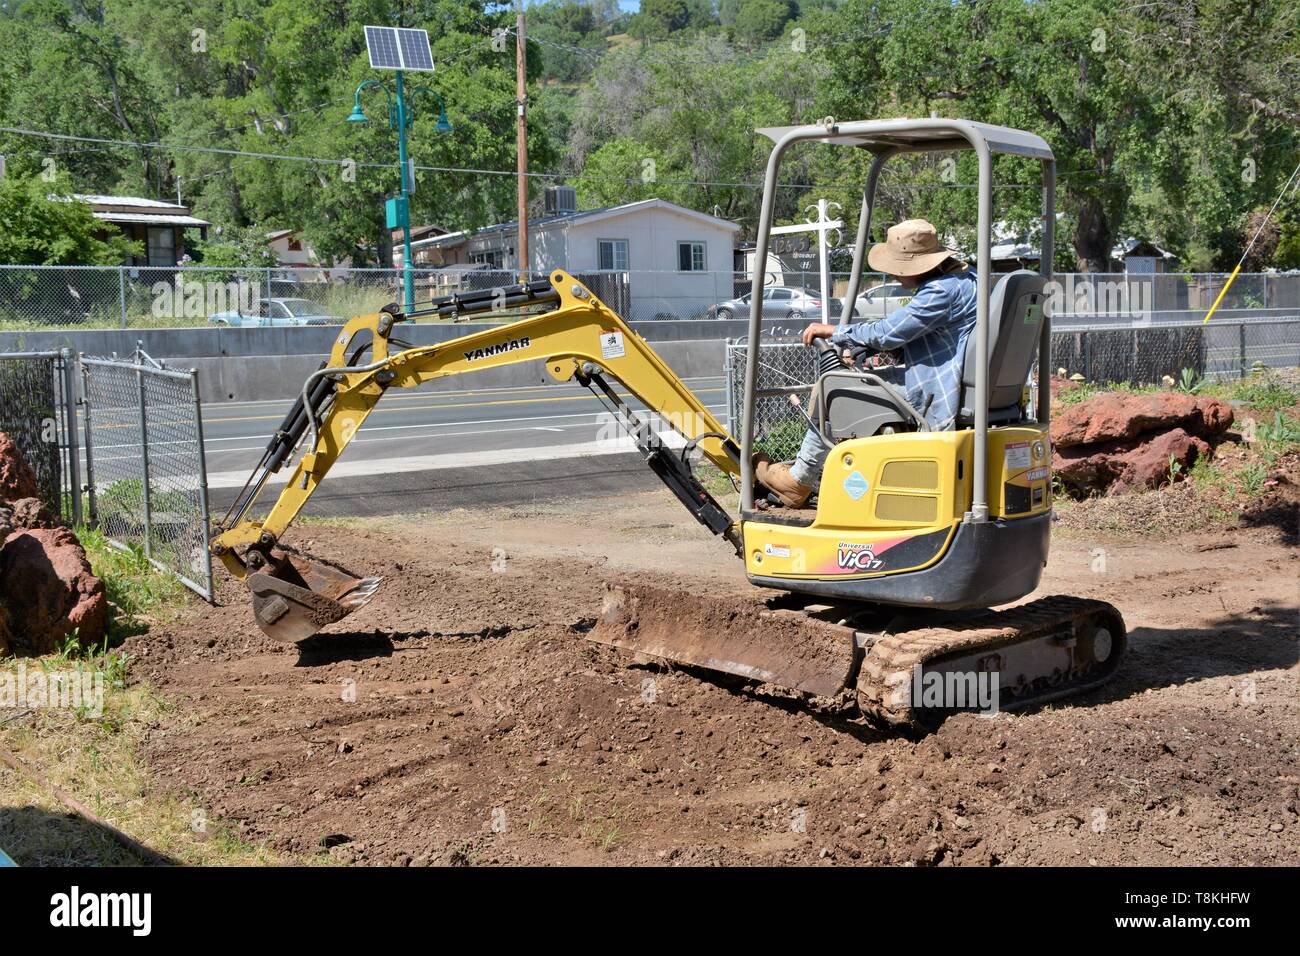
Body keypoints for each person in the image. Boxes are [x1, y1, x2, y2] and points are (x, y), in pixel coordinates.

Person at [755, 218, 979, 508]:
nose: (896, 278)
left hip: (937, 390)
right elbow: (936, 339)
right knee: (858, 382)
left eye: (899, 270)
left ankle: (799, 479)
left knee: (833, 389)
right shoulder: (967, 280)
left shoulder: (941, 292)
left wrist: (835, 331)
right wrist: (862, 347)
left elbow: (887, 333)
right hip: (955, 380)